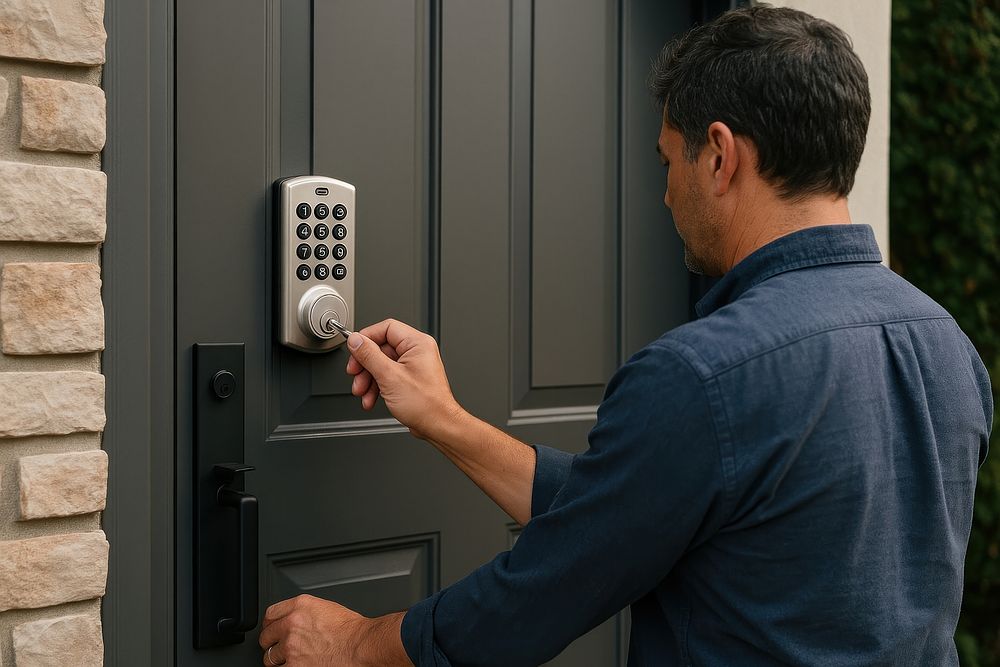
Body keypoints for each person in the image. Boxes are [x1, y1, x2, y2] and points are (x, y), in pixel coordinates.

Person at [258, 6, 993, 666]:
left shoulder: (703, 374)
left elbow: (532, 603)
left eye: (667, 159)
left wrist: (357, 643)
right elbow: (638, 510)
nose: (666, 190)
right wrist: (446, 422)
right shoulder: (948, 346)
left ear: (720, 154)